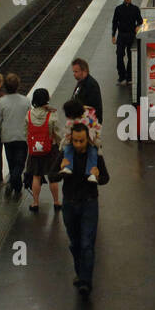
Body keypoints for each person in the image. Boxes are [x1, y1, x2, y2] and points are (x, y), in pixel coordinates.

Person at [61, 123, 108, 294]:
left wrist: (98, 175)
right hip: (69, 203)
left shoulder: (95, 156)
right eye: (75, 141)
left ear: (87, 139)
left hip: (89, 203)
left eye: (81, 141)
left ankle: (85, 282)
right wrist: (60, 170)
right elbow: (51, 175)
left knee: (87, 243)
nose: (78, 144)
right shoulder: (65, 155)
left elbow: (105, 178)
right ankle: (80, 273)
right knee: (75, 243)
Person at [24, 88, 64, 212]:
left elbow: (26, 131)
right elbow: (57, 133)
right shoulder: (51, 114)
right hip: (50, 148)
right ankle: (56, 202)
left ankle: (35, 203)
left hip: (35, 149)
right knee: (52, 177)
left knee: (36, 176)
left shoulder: (29, 114)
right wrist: (60, 145)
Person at [0, 72, 29, 200]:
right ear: (18, 86)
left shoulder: (1, 102)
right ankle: (13, 182)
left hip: (7, 137)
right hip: (22, 137)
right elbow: (29, 119)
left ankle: (16, 187)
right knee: (20, 163)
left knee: (12, 163)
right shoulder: (25, 101)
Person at [59, 100, 101, 182]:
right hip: (79, 140)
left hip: (90, 141)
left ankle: (91, 173)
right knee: (68, 149)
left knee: (92, 152)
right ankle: (68, 167)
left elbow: (96, 129)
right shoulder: (81, 117)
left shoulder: (88, 118)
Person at [111, 0, 143, 86]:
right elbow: (115, 23)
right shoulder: (118, 9)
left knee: (130, 56)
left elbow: (140, 20)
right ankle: (122, 77)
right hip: (121, 35)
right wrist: (113, 35)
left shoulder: (136, 9)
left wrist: (137, 26)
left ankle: (129, 77)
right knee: (119, 56)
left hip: (131, 35)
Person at [71, 58, 103, 123]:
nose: (74, 74)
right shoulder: (81, 82)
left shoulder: (91, 85)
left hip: (89, 122)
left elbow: (91, 107)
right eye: (73, 72)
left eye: (76, 71)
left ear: (84, 71)